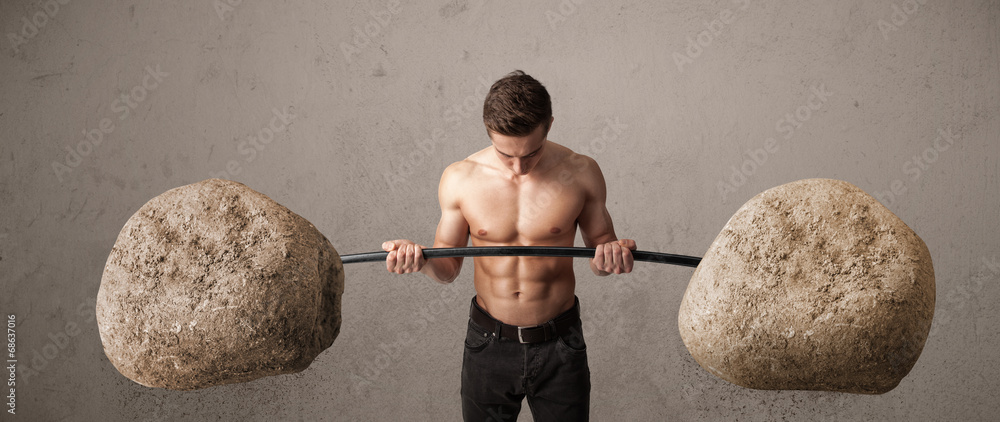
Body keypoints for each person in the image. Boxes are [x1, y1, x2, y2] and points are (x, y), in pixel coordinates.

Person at [382, 70, 634, 421]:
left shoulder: (581, 172)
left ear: (549, 126)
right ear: (488, 131)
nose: (519, 167)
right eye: (505, 154)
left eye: (531, 154)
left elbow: (599, 255)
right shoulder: (460, 178)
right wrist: (419, 260)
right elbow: (447, 269)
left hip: (560, 343)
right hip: (489, 344)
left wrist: (612, 257)